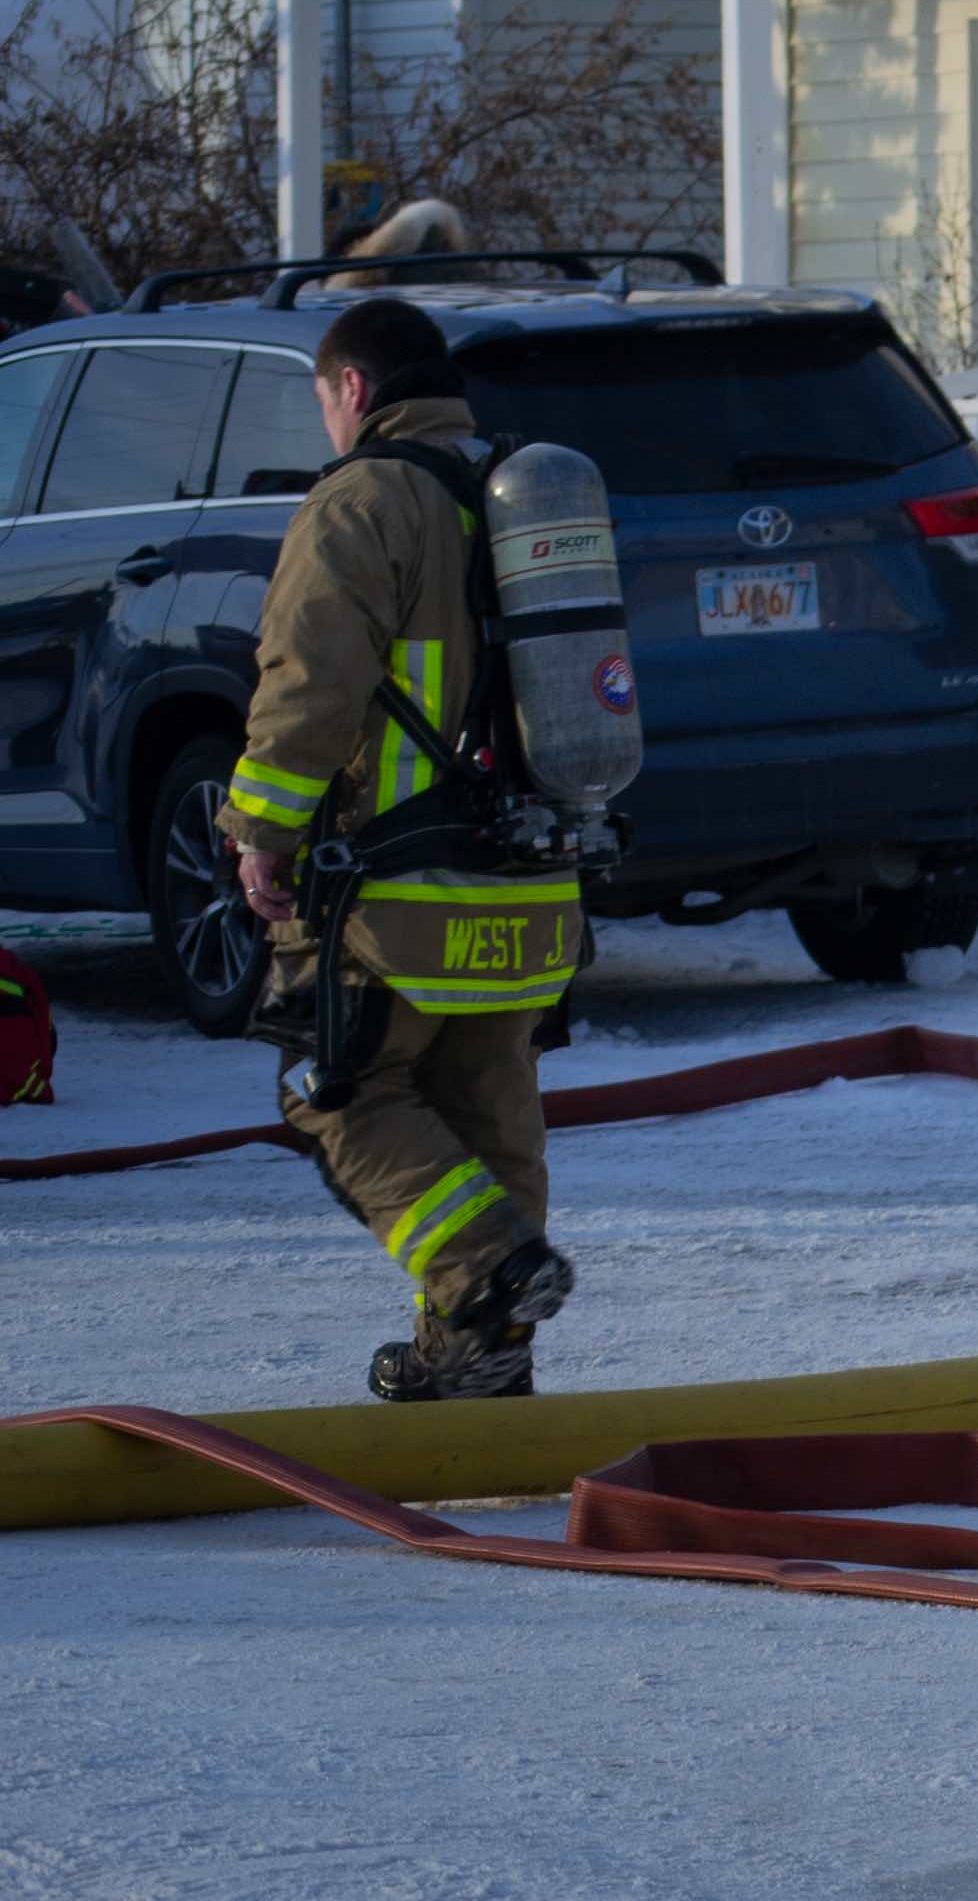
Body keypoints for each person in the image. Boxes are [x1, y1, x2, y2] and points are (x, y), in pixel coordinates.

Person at [225, 297, 585, 1402]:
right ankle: (478, 1359)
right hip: (533, 887)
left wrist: (262, 834)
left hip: (396, 893)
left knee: (332, 1088)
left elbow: (309, 685)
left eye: (322, 403)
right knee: (487, 1108)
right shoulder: (522, 493)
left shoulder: (362, 502)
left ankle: (488, 1273)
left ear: (353, 391)